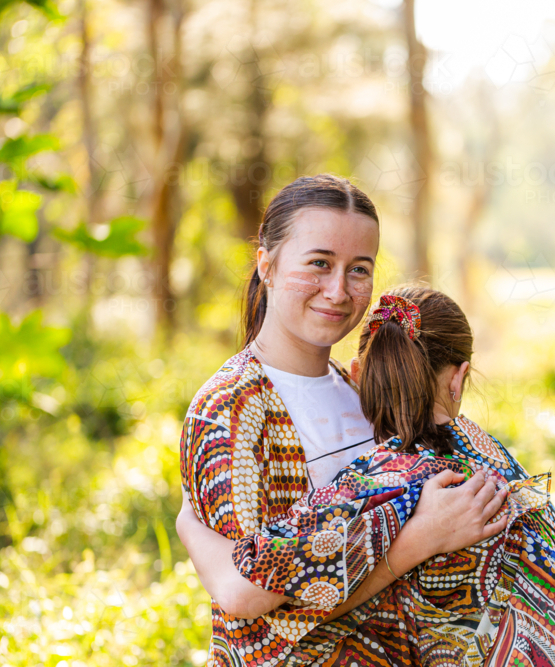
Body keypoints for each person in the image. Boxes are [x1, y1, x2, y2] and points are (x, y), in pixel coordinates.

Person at [175, 175, 508, 667]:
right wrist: (415, 542)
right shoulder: (231, 409)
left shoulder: (358, 388)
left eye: (358, 270)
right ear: (266, 264)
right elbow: (254, 614)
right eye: (319, 263)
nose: (337, 290)